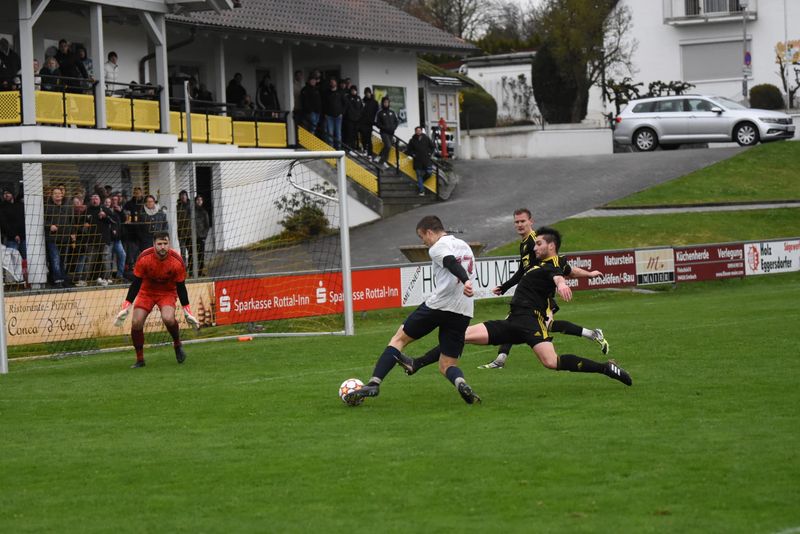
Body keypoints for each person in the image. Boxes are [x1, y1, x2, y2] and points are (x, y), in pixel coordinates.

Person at [396, 227, 633, 387]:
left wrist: (561, 285)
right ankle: (416, 363)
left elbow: (559, 276)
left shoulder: (551, 265)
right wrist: (590, 273)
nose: (535, 246)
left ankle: (606, 368)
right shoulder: (544, 263)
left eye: (539, 243)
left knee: (552, 362)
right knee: (461, 335)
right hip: (513, 321)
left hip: (531, 322)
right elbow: (571, 271)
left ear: (551, 246)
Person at [345, 215, 482, 405]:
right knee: (447, 365)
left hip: (439, 305)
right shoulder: (464, 245)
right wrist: (466, 281)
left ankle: (374, 383)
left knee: (399, 339)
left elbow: (451, 262)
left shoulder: (438, 247)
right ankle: (461, 383)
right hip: (463, 310)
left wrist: (465, 280)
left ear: (430, 232)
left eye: (422, 237)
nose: (423, 242)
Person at [478, 210, 608, 370]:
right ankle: (592, 334)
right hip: (531, 294)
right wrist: (504, 287)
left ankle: (500, 359)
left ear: (530, 222)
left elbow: (558, 266)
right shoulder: (525, 243)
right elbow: (523, 270)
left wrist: (567, 281)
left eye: (522, 221)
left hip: (540, 297)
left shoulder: (535, 241)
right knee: (535, 324)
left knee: (516, 322)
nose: (519, 225)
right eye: (516, 222)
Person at [113, 231, 200, 368]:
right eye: (159, 244)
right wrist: (126, 305)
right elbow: (136, 283)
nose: (163, 247)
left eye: (165, 243)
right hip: (146, 292)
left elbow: (181, 288)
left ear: (169, 244)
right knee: (136, 322)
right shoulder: (144, 258)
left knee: (168, 319)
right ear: (154, 244)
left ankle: (177, 343)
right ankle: (140, 359)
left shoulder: (177, 261)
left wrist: (187, 311)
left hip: (167, 293)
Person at [43, 186, 74, 287]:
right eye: (54, 193)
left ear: (62, 194)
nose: (57, 195)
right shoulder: (47, 207)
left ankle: (62, 279)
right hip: (53, 238)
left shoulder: (68, 207)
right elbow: (42, 221)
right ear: (51, 196)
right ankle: (57, 280)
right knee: (55, 259)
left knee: (62, 260)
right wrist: (49, 226)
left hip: (65, 238)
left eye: (59, 193)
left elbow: (72, 222)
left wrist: (72, 233)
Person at [406, 126, 435, 196]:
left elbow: (432, 147)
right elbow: (408, 150)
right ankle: (421, 191)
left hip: (426, 160)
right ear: (415, 131)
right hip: (417, 161)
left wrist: (429, 153)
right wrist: (413, 154)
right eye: (417, 130)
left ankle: (420, 183)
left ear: (421, 131)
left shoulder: (426, 138)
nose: (418, 131)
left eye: (419, 130)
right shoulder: (412, 140)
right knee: (419, 176)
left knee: (429, 173)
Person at [0, 188, 26, 259]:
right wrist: (14, 235)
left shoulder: (20, 205)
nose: (6, 195)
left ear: (12, 194)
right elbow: (4, 224)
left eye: (8, 193)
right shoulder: (2, 207)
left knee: (27, 259)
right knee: (13, 261)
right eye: (4, 194)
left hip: (24, 237)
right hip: (11, 239)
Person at [375, 96, 399, 168]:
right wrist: (384, 128)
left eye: (387, 102)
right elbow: (377, 123)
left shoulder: (392, 112)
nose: (386, 104)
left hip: (391, 133)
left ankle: (383, 160)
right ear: (382, 103)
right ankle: (381, 159)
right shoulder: (380, 112)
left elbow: (396, 121)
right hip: (384, 132)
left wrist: (393, 128)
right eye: (385, 102)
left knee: (388, 147)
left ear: (389, 103)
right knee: (388, 145)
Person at [323, 78, 347, 149]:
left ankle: (338, 148)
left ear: (336, 83)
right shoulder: (327, 93)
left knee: (338, 133)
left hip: (338, 116)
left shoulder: (340, 92)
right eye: (331, 82)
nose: (332, 83)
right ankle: (331, 148)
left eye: (333, 82)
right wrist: (325, 113)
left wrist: (342, 113)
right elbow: (324, 104)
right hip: (329, 116)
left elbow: (345, 104)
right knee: (330, 133)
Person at [190, 195, 211, 275]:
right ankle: (191, 272)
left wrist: (204, 235)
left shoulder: (204, 212)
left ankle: (200, 271)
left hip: (201, 237)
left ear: (202, 201)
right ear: (195, 201)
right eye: (197, 200)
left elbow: (207, 225)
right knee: (192, 254)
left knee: (201, 255)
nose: (199, 201)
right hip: (192, 237)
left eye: (200, 200)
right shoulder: (192, 212)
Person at [359, 87, 378, 157]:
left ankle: (370, 153)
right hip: (362, 122)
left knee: (368, 138)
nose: (367, 94)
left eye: (368, 93)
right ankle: (364, 150)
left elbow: (377, 113)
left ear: (370, 93)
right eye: (366, 93)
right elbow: (359, 110)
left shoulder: (375, 102)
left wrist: (374, 121)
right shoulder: (362, 101)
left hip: (370, 123)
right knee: (363, 137)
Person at [343, 85, 363, 152]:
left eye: (354, 90)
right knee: (349, 134)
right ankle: (348, 148)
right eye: (352, 90)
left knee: (355, 135)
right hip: (349, 120)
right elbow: (346, 108)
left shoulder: (358, 98)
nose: (353, 91)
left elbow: (361, 108)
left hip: (357, 120)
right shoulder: (347, 97)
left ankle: (354, 148)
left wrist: (359, 116)